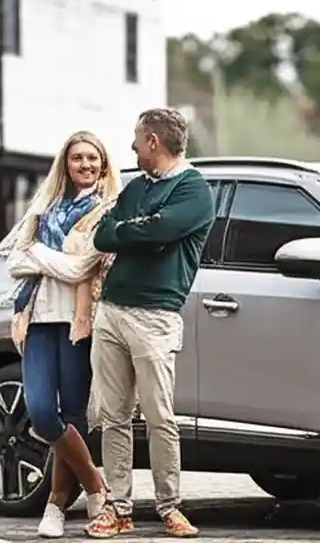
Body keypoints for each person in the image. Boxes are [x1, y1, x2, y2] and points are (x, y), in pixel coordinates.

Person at [84, 108, 213, 539]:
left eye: (137, 141)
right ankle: (117, 509)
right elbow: (104, 234)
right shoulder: (135, 187)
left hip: (155, 315)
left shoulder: (194, 191)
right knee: (113, 416)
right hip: (112, 312)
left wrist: (137, 230)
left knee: (160, 416)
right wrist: (141, 231)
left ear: (154, 142)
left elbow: (162, 232)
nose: (133, 148)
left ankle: (169, 506)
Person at [1, 130, 121, 538]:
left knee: (72, 415)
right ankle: (94, 485)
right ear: (66, 165)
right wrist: (43, 257)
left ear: (103, 165)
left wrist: (36, 254)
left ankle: (54, 506)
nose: (84, 164)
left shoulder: (108, 211)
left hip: (78, 322)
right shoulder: (44, 206)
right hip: (36, 319)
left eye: (92, 158)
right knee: (40, 413)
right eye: (77, 158)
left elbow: (82, 268)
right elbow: (13, 261)